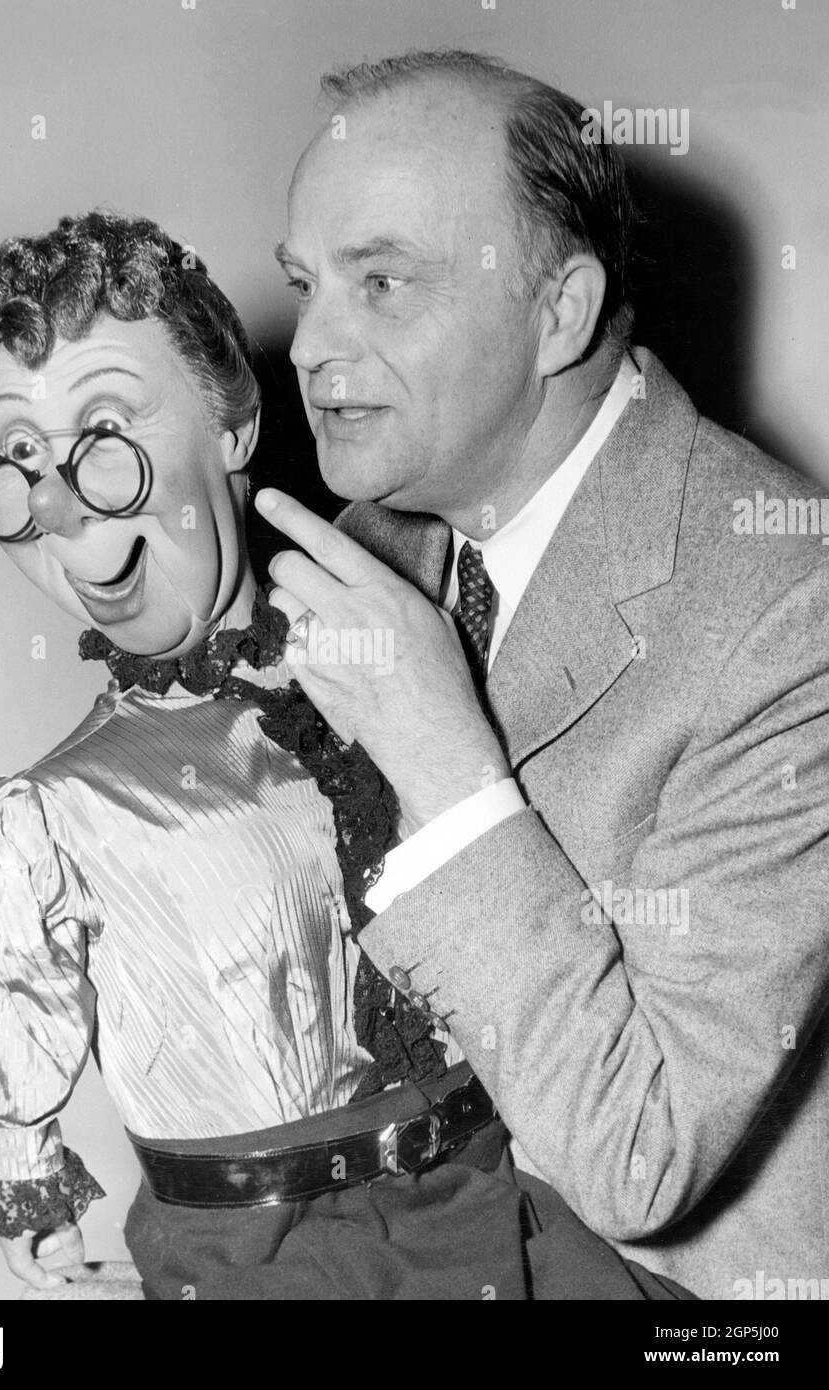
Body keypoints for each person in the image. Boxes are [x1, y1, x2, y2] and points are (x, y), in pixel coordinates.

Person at [0, 210, 690, 1301]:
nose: (58, 501)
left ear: (233, 426)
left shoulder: (408, 652)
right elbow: (20, 1020)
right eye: (20, 454)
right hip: (262, 1259)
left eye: (104, 426)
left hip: (501, 1209)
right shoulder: (42, 817)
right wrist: (31, 1192)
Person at [260, 50, 829, 1301]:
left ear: (558, 314)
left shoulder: (791, 610)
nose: (307, 345)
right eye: (307, 284)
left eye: (382, 282)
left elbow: (642, 1158)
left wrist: (447, 766)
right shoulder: (369, 534)